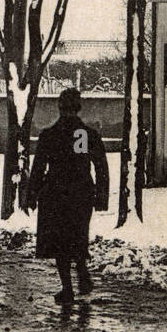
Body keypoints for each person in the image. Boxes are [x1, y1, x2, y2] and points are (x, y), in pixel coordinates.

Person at [26, 87, 109, 305]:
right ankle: (82, 274)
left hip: (56, 195)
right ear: (79, 108)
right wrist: (101, 196)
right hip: (82, 194)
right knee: (78, 236)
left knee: (60, 243)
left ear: (60, 108)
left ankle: (68, 289)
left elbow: (38, 168)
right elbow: (101, 167)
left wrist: (31, 195)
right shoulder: (89, 135)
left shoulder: (49, 135)